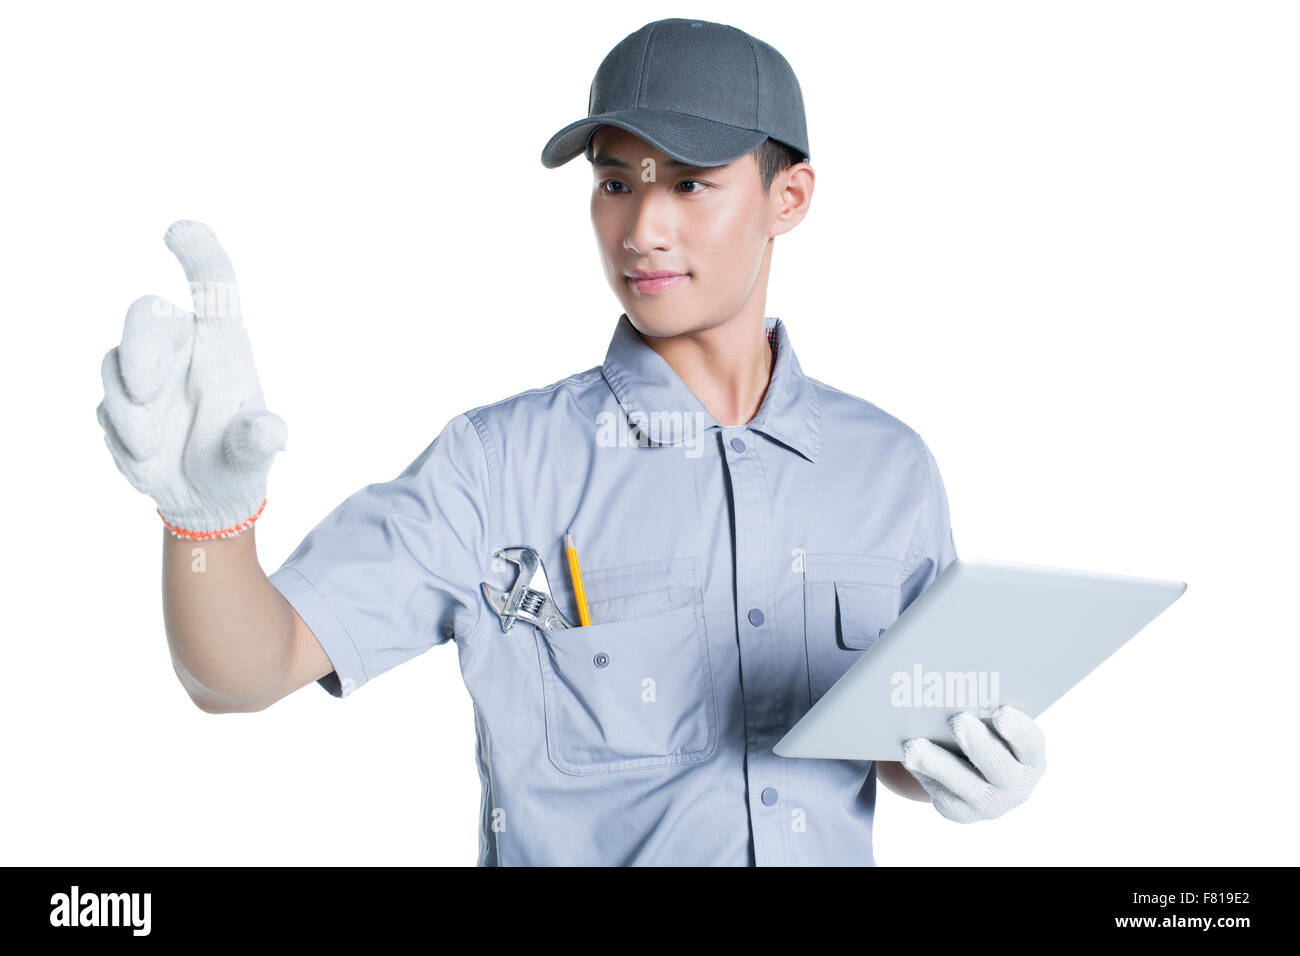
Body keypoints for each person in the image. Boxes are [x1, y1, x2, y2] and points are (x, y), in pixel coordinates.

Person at [95, 17, 1045, 866]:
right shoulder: (498, 468)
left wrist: (973, 766)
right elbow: (243, 673)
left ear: (788, 198)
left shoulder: (890, 468)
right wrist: (208, 525)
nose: (643, 227)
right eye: (616, 182)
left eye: (690, 183)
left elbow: (906, 738)